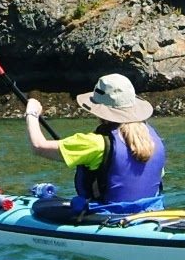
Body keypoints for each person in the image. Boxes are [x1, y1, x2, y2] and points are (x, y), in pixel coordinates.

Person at [24, 73, 166, 217]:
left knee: (39, 208)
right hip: (152, 214)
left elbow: (38, 146)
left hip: (108, 217)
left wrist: (32, 113)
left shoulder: (95, 143)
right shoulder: (152, 138)